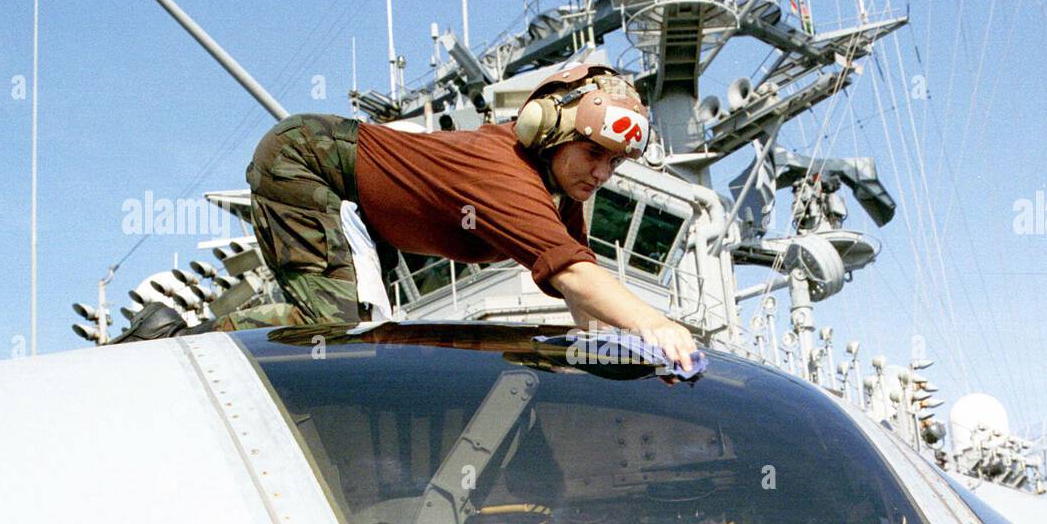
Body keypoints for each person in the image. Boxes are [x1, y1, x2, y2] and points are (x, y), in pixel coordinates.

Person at [116, 63, 699, 373]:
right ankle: (173, 339)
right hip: (309, 162)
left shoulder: (560, 192)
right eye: (593, 153)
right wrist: (660, 326)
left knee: (359, 328)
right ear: (547, 133)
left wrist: (600, 350)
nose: (601, 173)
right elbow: (572, 273)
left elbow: (581, 287)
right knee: (343, 325)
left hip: (361, 209)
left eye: (614, 163)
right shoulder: (505, 175)